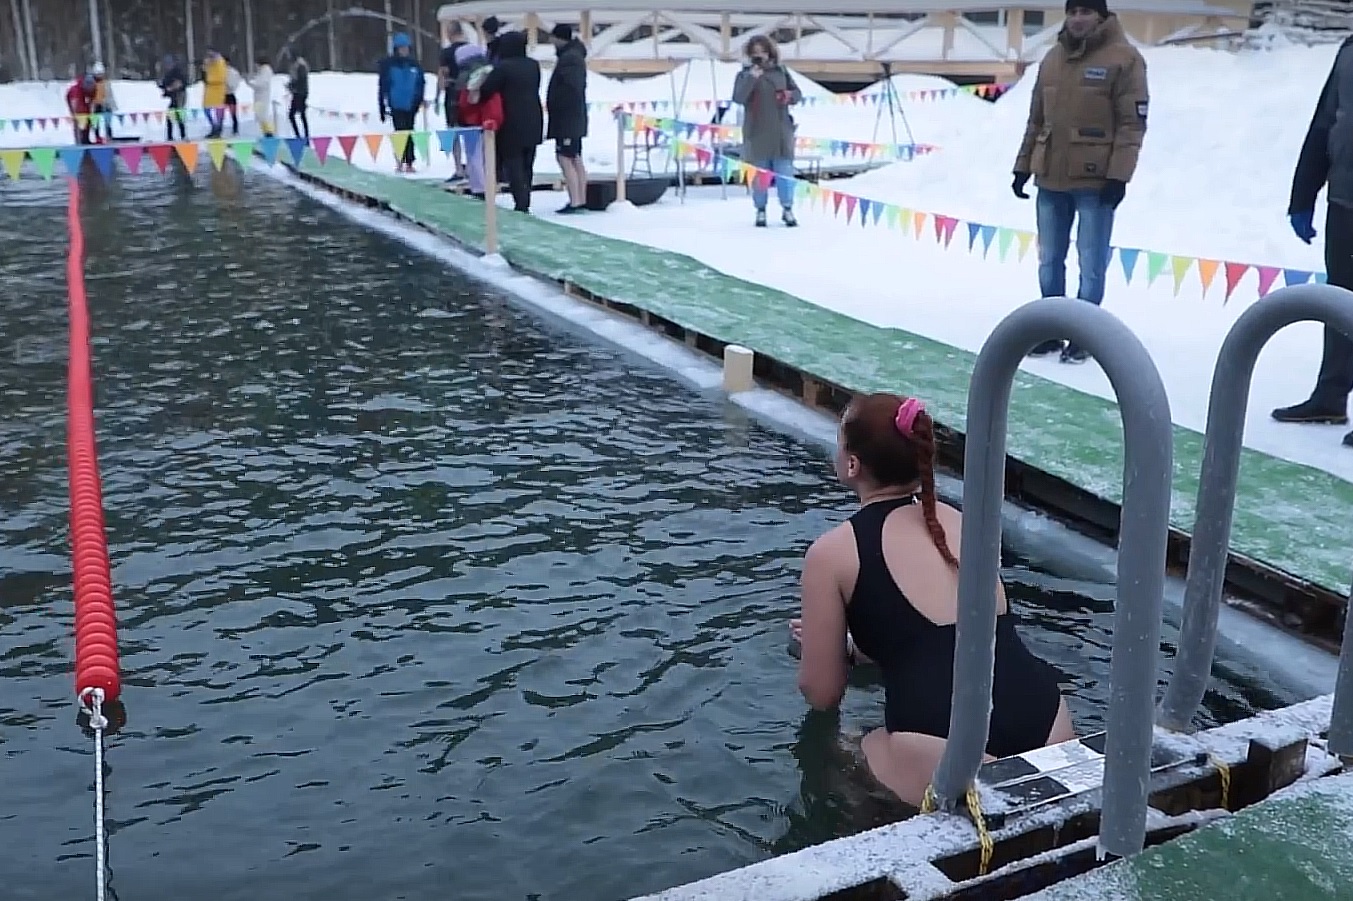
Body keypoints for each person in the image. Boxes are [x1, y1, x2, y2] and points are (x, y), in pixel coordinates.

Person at [792, 393, 1074, 808]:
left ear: (851, 466)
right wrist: (852, 649)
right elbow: (934, 632)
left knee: (845, 751)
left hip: (945, 749)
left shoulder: (832, 552)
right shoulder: (965, 522)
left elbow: (822, 694)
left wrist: (821, 652)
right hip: (1049, 719)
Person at [1012, 1, 1148, 364]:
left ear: (1101, 17)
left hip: (1095, 179)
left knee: (1091, 260)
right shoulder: (1053, 59)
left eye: (1085, 12)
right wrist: (1023, 165)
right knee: (1050, 259)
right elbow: (1035, 120)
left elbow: (1132, 125)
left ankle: (1085, 336)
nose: (1077, 19)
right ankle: (1051, 330)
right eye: (1072, 12)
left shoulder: (1125, 59)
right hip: (1050, 177)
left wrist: (1119, 176)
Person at [1273, 34, 1353, 445]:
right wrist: (1303, 195)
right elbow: (1326, 123)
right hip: (1345, 201)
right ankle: (1330, 395)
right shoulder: (1349, 50)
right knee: (1341, 302)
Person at [732, 36, 801, 229]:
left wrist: (789, 96)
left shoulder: (781, 72)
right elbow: (738, 98)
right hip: (756, 133)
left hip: (781, 133)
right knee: (759, 176)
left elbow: (798, 94)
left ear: (769, 52)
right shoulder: (744, 75)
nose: (758, 55)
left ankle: (787, 208)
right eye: (755, 52)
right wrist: (752, 79)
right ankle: (760, 209)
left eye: (762, 51)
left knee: (785, 174)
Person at [479, 30, 543, 213]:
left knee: (513, 161)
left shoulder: (503, 68)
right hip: (533, 116)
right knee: (527, 162)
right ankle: (526, 198)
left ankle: (521, 202)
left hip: (510, 119)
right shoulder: (533, 65)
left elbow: (486, 90)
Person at [545, 23, 589, 214]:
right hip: (573, 117)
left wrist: (557, 104)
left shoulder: (570, 59)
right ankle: (581, 198)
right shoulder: (573, 56)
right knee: (575, 157)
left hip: (567, 118)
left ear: (559, 38)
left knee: (565, 157)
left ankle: (576, 201)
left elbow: (571, 88)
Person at [455, 44, 502, 200]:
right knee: (488, 154)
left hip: (475, 120)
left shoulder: (468, 75)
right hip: (492, 115)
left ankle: (480, 188)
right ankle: (489, 183)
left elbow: (469, 100)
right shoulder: (491, 71)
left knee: (474, 155)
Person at [379, 32, 427, 174]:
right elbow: (383, 86)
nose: (404, 51)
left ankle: (410, 161)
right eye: (401, 48)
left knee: (410, 131)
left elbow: (421, 84)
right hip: (396, 104)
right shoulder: (389, 65)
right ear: (396, 49)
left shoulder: (414, 65)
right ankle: (400, 160)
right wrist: (382, 105)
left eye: (406, 48)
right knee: (400, 132)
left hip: (411, 104)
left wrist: (418, 100)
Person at [439, 20, 470, 185]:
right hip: (470, 94)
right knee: (471, 132)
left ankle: (458, 167)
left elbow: (443, 75)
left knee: (454, 132)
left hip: (453, 94)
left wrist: (440, 90)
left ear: (450, 33)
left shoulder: (446, 53)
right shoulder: (471, 49)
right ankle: (473, 166)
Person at [202, 50, 228, 138]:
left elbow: (221, 77)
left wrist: (210, 79)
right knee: (206, 109)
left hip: (218, 88)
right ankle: (213, 126)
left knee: (218, 109)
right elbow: (205, 73)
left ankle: (218, 129)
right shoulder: (208, 63)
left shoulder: (220, 62)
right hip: (209, 88)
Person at [65, 74, 97, 145]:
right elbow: (74, 103)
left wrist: (91, 114)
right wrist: (75, 115)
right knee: (79, 125)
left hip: (85, 108)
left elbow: (92, 101)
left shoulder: (93, 89)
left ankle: (86, 140)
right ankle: (79, 144)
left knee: (87, 124)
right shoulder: (75, 90)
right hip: (78, 109)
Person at [88, 62, 116, 143]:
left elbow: (109, 95)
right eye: (98, 74)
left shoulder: (106, 83)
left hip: (105, 105)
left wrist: (111, 105)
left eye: (101, 74)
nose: (99, 76)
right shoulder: (92, 83)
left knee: (107, 123)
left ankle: (109, 137)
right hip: (95, 105)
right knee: (95, 123)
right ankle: (97, 138)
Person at [251, 56, 275, 137]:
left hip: (262, 97)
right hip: (259, 97)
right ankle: (266, 133)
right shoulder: (261, 71)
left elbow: (261, 84)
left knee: (263, 116)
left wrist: (252, 83)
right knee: (260, 117)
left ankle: (269, 132)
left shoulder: (265, 71)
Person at [288, 56, 310, 140]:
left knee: (297, 115)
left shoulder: (300, 66)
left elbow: (300, 80)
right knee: (300, 115)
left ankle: (302, 136)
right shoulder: (297, 66)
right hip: (299, 93)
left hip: (300, 93)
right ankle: (303, 135)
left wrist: (292, 86)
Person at [223, 55, 242, 136]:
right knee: (220, 113)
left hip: (230, 95)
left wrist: (230, 86)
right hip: (222, 95)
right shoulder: (219, 71)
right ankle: (218, 129)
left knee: (233, 113)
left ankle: (235, 129)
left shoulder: (232, 72)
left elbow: (236, 82)